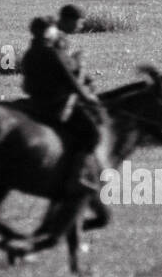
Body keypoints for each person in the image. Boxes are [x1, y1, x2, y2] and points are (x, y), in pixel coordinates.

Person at [19, 16, 112, 196]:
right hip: (56, 104)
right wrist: (87, 97)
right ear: (48, 32)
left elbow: (26, 84)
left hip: (35, 102)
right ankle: (77, 175)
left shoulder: (30, 53)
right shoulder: (51, 53)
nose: (57, 32)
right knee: (91, 133)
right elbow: (71, 81)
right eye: (53, 29)